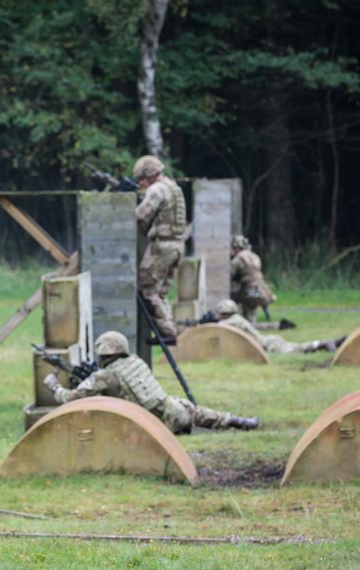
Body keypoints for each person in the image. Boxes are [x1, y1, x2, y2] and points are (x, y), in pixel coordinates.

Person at [42, 331, 260, 434]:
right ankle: (238, 421)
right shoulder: (135, 361)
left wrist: (54, 385)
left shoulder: (104, 377)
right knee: (198, 412)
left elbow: (70, 398)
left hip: (152, 426)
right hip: (175, 412)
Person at [133, 155, 188, 345]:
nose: (140, 184)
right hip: (177, 245)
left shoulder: (156, 189)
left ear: (149, 175)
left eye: (140, 179)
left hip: (162, 246)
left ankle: (167, 332)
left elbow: (141, 214)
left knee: (146, 288)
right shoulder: (173, 187)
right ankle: (168, 329)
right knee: (160, 292)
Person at [215, 299, 343, 354]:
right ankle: (327, 343)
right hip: (269, 340)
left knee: (297, 349)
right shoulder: (237, 319)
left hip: (268, 345)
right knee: (297, 347)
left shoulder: (233, 321)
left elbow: (218, 327)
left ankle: (324, 345)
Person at [229, 235, 277, 322]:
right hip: (263, 291)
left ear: (236, 248)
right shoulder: (255, 256)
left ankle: (231, 318)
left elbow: (230, 275)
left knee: (231, 296)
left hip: (249, 293)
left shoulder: (238, 259)